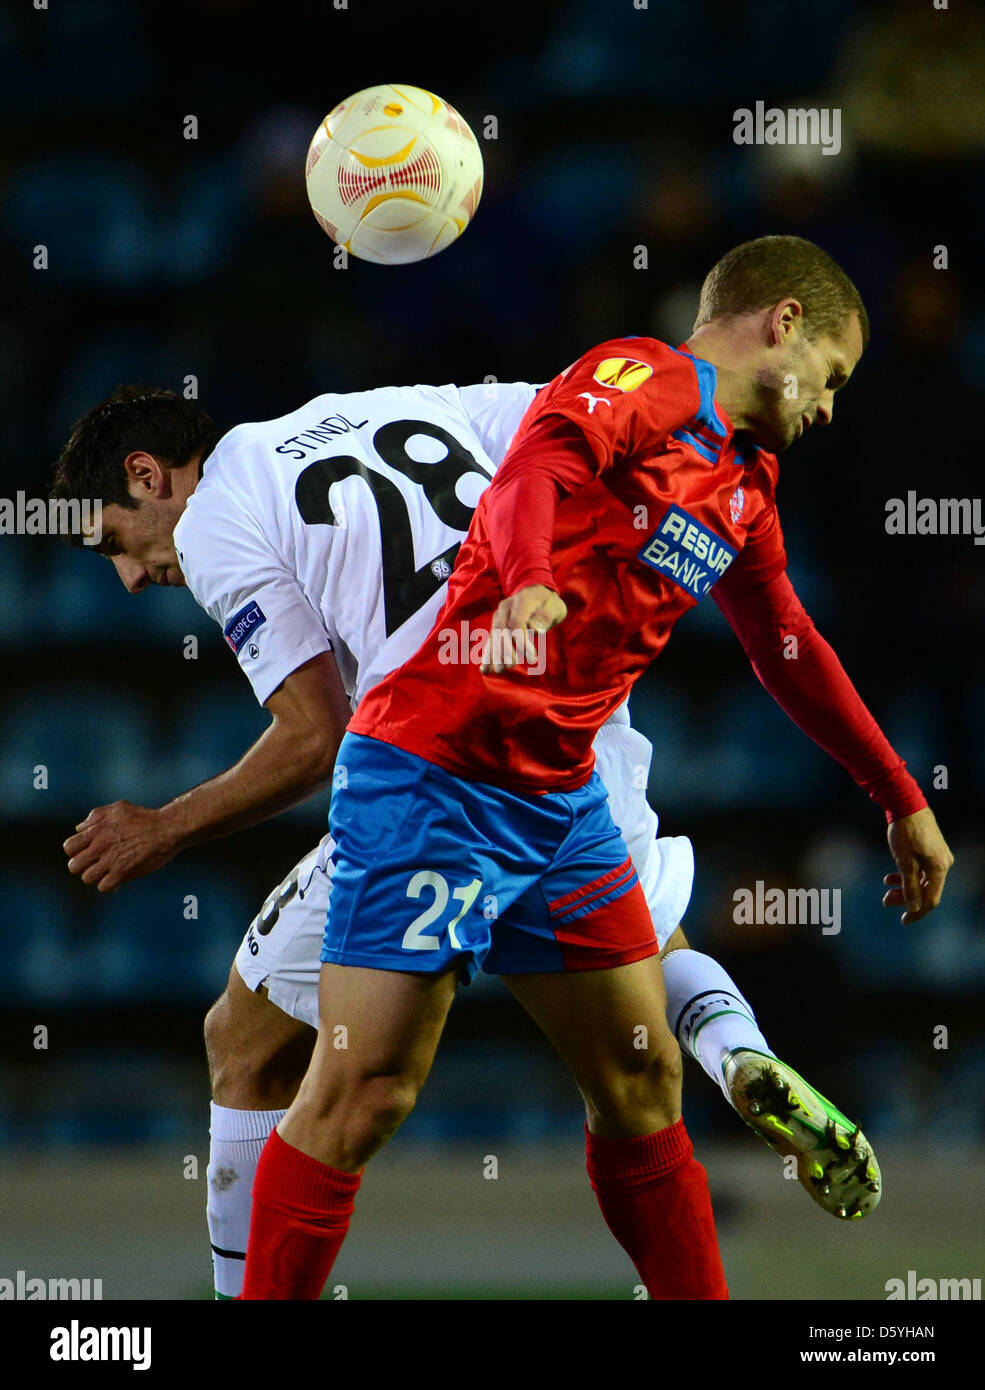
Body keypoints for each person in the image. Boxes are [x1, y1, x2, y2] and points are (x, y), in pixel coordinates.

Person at [215, 235, 953, 1301]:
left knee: (645, 1080)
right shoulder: (649, 376)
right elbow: (540, 463)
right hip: (438, 772)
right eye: (832, 375)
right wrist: (523, 582)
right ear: (781, 322)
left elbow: (785, 644)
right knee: (362, 1092)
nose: (831, 406)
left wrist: (897, 793)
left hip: (561, 802)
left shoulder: (747, 481)